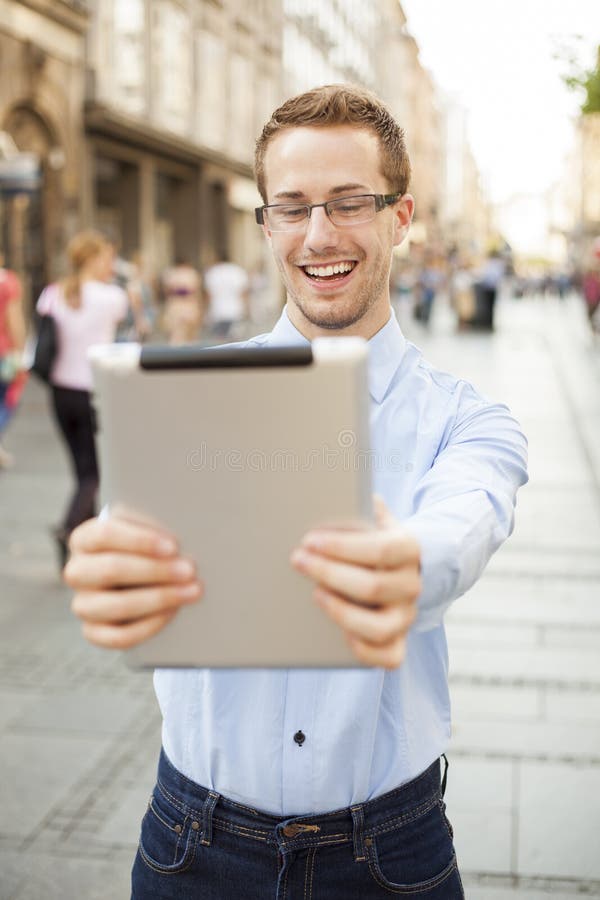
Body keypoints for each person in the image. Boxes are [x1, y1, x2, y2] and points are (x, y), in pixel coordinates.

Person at [64, 85, 528, 899]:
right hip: (191, 847)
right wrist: (109, 567)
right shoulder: (188, 394)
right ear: (267, 224)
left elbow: (467, 519)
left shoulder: (470, 420)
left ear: (402, 216)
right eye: (292, 208)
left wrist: (403, 564)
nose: (319, 236)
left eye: (350, 203)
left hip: (390, 856)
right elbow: (128, 528)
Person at [37, 230, 127, 568]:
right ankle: (69, 529)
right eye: (106, 257)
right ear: (92, 259)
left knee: (81, 469)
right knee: (93, 473)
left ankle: (82, 544)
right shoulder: (112, 297)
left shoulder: (52, 293)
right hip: (94, 393)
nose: (111, 264)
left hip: (61, 392)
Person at [0, 261, 27, 468]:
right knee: (8, 400)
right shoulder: (7, 281)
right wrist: (20, 352)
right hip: (3, 352)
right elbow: (14, 321)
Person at [204, 254, 250, 339]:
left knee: (220, 341)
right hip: (236, 310)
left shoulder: (213, 272)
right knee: (236, 341)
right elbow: (243, 293)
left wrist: (206, 311)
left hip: (218, 311)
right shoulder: (237, 271)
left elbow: (209, 294)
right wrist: (246, 308)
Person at [160, 258, 203, 344]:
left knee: (188, 336)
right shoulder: (173, 274)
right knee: (178, 336)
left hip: (187, 305)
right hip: (178, 305)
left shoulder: (190, 273)